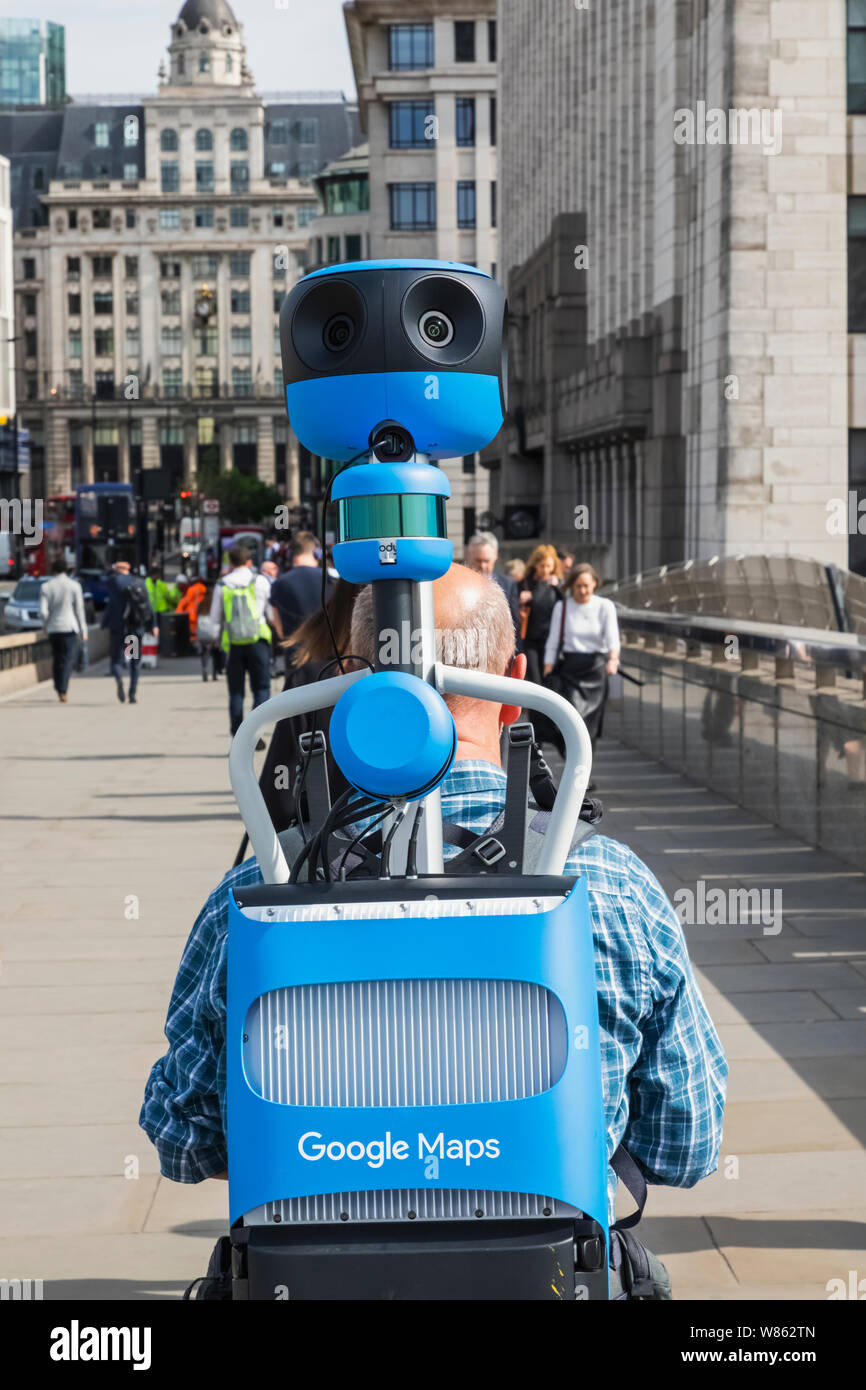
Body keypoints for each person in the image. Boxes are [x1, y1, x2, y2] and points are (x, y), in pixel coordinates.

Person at [141, 564, 727, 1300]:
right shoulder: (610, 884)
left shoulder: (256, 893)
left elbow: (181, 1139)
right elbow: (688, 1140)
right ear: (517, 681)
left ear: (355, 689)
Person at [543, 562, 620, 753]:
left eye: (587, 585)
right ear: (571, 586)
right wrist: (548, 669)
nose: (583, 590)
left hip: (595, 669)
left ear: (595, 584)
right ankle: (572, 760)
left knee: (590, 724)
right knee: (570, 721)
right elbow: (553, 640)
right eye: (578, 586)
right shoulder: (562, 607)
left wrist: (613, 659)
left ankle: (585, 772)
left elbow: (613, 638)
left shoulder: (605, 606)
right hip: (571, 667)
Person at [209, 544, 272, 738]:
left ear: (231, 562)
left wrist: (215, 641)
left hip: (233, 643)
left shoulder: (222, 584)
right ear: (249, 562)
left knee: (236, 691)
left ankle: (237, 734)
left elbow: (214, 618)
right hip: (258, 640)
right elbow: (269, 611)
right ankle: (255, 730)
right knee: (261, 687)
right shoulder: (260, 581)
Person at [102, 560, 157, 705]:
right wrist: (153, 625)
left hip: (118, 628)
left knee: (116, 659)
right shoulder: (139, 582)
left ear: (117, 569)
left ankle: (119, 680)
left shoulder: (113, 582)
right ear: (129, 569)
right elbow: (148, 605)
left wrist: (112, 569)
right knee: (134, 661)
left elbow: (105, 576)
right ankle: (132, 693)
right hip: (134, 628)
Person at [268, 532, 331, 657]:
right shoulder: (332, 579)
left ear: (291, 554)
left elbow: (279, 629)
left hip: (295, 655)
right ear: (317, 553)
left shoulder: (279, 583)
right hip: (327, 653)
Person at [40, 558, 87, 703]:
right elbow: (79, 610)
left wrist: (46, 624)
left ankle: (58, 686)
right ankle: (63, 689)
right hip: (69, 627)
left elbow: (43, 612)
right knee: (67, 659)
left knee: (56, 658)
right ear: (66, 570)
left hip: (54, 628)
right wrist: (83, 630)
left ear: (53, 570)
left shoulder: (46, 586)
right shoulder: (74, 585)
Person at [464, 530, 521, 642]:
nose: (482, 566)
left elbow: (514, 623)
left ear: (495, 556)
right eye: (478, 561)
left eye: (486, 561)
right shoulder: (459, 584)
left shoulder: (508, 585)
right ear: (469, 556)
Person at [520, 544, 563, 685]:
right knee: (533, 680)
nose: (545, 570)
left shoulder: (557, 585)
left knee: (550, 679)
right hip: (531, 638)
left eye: (549, 566)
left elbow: (567, 605)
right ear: (535, 565)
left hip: (551, 639)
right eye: (542, 566)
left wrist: (558, 586)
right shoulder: (526, 583)